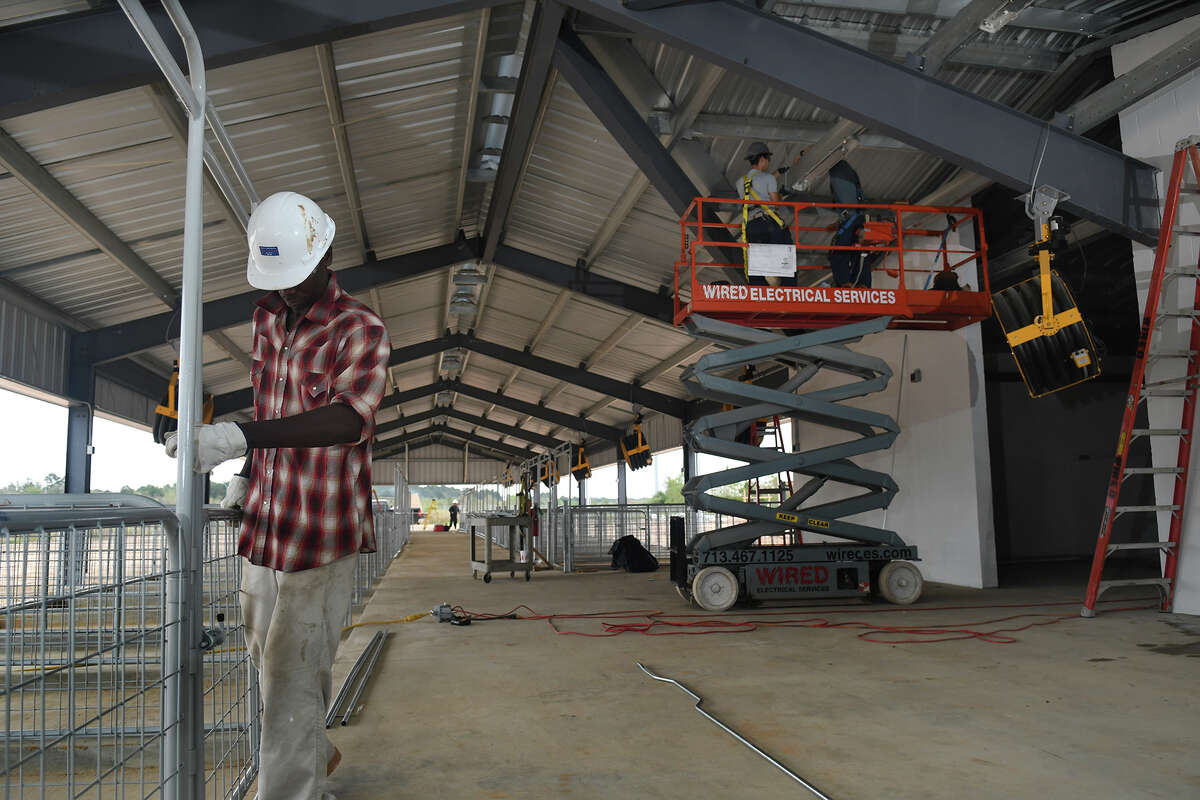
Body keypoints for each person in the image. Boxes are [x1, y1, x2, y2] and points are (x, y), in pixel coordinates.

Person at [165, 190, 390, 800]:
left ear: (326, 256)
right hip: (267, 522)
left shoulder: (360, 329)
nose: (287, 290)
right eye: (278, 279)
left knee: (292, 673)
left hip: (320, 531)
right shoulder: (266, 319)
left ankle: (293, 790)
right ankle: (313, 752)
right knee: (266, 655)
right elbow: (273, 408)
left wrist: (240, 436)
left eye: (297, 276)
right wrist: (248, 469)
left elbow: (347, 419)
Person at [740, 141, 793, 284]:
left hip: (752, 226)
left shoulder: (741, 182)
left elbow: (756, 189)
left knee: (757, 266)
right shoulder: (768, 178)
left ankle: (758, 290)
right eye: (768, 159)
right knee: (785, 259)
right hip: (769, 224)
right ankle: (789, 288)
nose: (769, 162)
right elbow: (775, 204)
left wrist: (776, 174)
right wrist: (781, 194)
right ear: (762, 159)